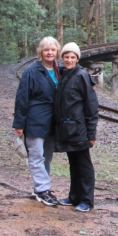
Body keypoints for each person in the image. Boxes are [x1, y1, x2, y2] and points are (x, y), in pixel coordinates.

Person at [13, 36, 62, 206]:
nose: (50, 53)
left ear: (57, 52)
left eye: (53, 49)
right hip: (35, 119)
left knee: (47, 157)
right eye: (46, 49)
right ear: (41, 51)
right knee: (36, 156)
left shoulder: (59, 70)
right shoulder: (31, 72)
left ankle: (42, 188)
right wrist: (19, 123)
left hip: (52, 121)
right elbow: (22, 98)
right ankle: (42, 190)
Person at [54, 42, 99, 212]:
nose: (69, 60)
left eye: (72, 57)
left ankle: (87, 200)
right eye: (66, 57)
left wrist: (91, 133)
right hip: (67, 127)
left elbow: (91, 106)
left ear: (77, 59)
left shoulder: (82, 76)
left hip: (79, 128)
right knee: (73, 163)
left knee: (83, 164)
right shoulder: (63, 74)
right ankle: (74, 196)